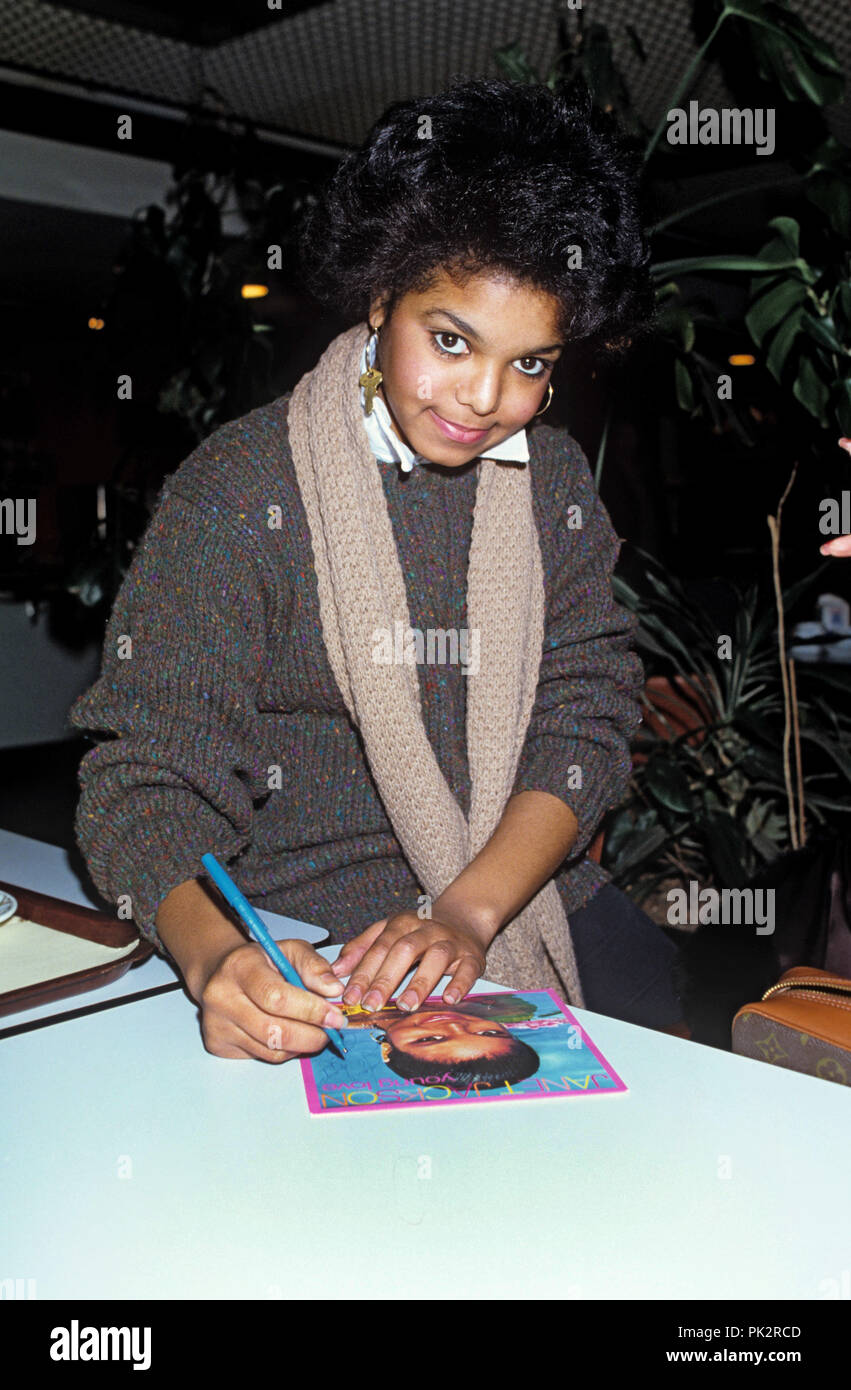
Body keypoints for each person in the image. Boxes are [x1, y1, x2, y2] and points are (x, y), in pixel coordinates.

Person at [69, 77, 688, 1063]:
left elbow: (586, 717)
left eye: (532, 363)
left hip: (524, 900)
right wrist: (217, 961)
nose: (487, 397)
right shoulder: (240, 488)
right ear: (380, 295)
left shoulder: (553, 480)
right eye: (451, 340)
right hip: (309, 936)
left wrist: (467, 913)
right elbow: (146, 781)